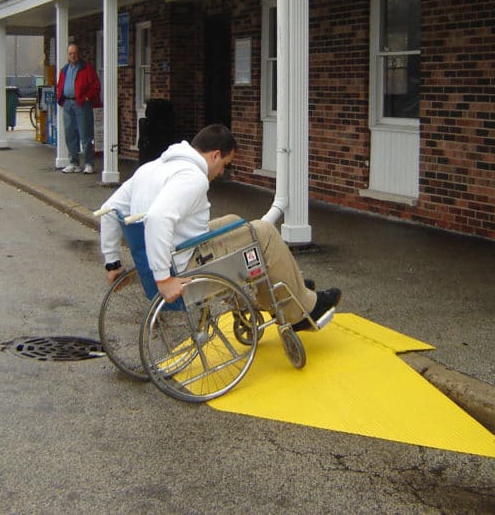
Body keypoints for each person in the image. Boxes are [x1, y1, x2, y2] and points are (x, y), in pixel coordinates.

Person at [99, 124, 341, 331]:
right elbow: (157, 218)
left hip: (177, 250)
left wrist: (113, 262)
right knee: (264, 233)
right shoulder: (192, 177)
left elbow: (109, 210)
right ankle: (302, 311)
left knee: (234, 222)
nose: (222, 171)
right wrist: (164, 279)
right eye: (225, 163)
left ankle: (291, 286)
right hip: (186, 266)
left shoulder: (151, 169)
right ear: (215, 155)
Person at [56, 43, 101, 174]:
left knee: (85, 134)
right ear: (67, 55)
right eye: (70, 54)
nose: (73, 56)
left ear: (78, 53)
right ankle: (73, 162)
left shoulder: (86, 68)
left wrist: (87, 97)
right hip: (68, 104)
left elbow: (95, 86)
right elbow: (60, 85)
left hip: (82, 104)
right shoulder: (64, 70)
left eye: (75, 53)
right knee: (70, 134)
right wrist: (60, 97)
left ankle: (88, 163)